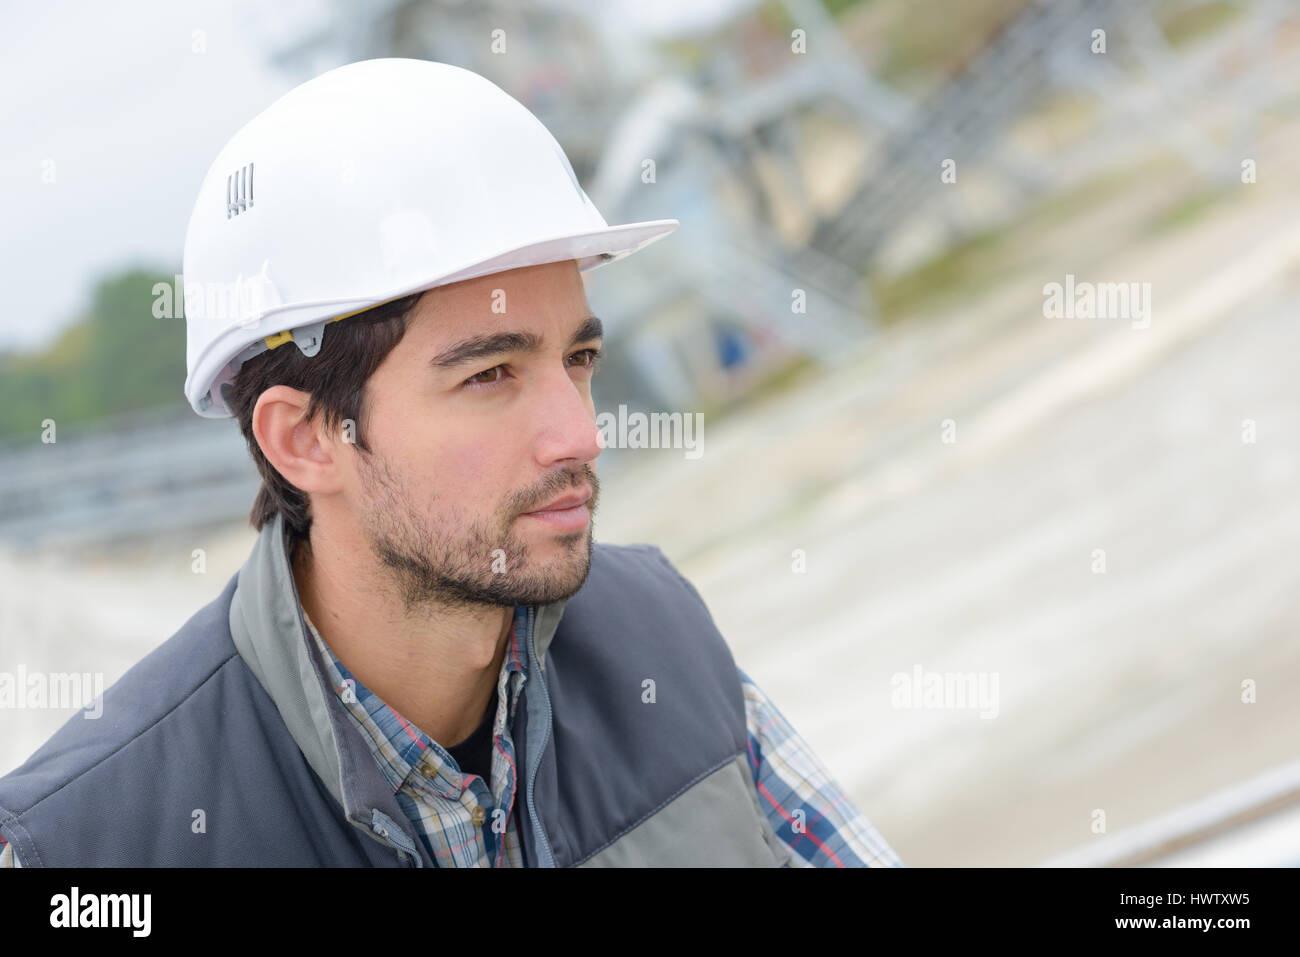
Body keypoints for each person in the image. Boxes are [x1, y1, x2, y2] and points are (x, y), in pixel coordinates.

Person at [0, 58, 901, 868]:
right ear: (303, 439)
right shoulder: (86, 841)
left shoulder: (663, 637)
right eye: (490, 374)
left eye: (577, 360)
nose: (581, 434)